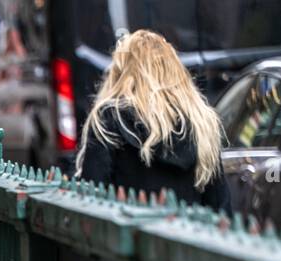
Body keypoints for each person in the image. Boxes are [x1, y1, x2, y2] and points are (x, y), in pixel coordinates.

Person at [76, 30, 230, 213]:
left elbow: (90, 196)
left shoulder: (109, 118)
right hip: (185, 236)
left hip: (127, 236)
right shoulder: (201, 123)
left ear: (122, 74)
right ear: (175, 73)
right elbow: (221, 207)